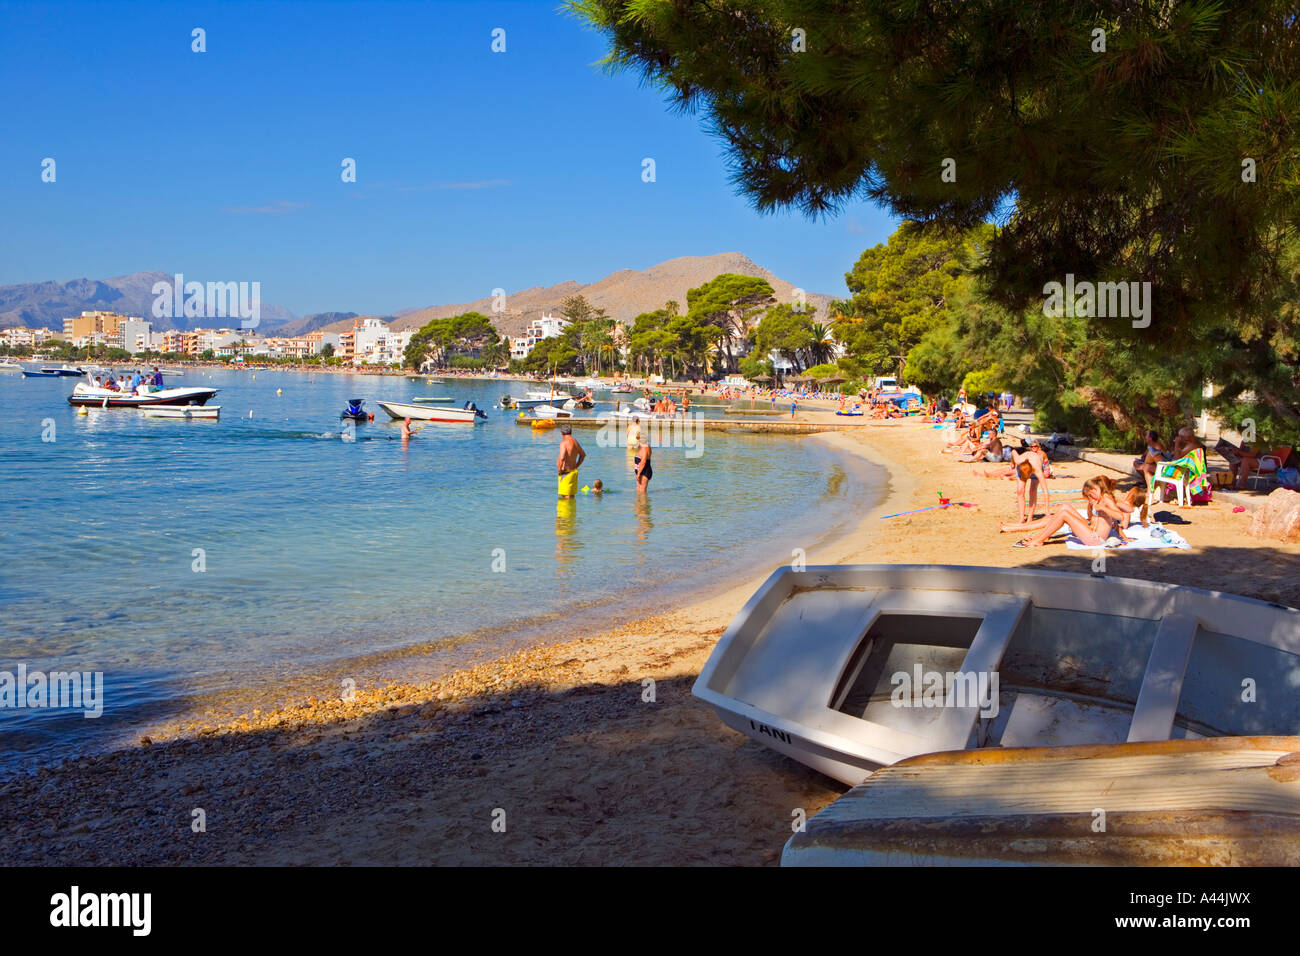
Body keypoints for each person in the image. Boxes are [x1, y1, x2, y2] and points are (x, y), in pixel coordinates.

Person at [1003, 478, 1131, 547]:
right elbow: (1092, 518)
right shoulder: (1096, 500)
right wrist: (1091, 506)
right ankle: (1042, 535)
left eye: (1091, 494)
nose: (1091, 497)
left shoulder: (1106, 498)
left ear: (1096, 488)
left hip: (1096, 539)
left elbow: (1119, 516)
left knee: (1064, 515)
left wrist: (1103, 509)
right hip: (1089, 529)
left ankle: (1038, 539)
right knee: (1065, 507)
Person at [556, 423, 585, 500]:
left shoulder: (563, 443)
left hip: (565, 472)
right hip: (573, 472)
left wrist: (560, 470)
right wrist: (576, 465)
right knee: (571, 497)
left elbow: (562, 457)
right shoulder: (575, 441)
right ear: (571, 432)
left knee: (565, 498)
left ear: (561, 433)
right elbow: (583, 455)